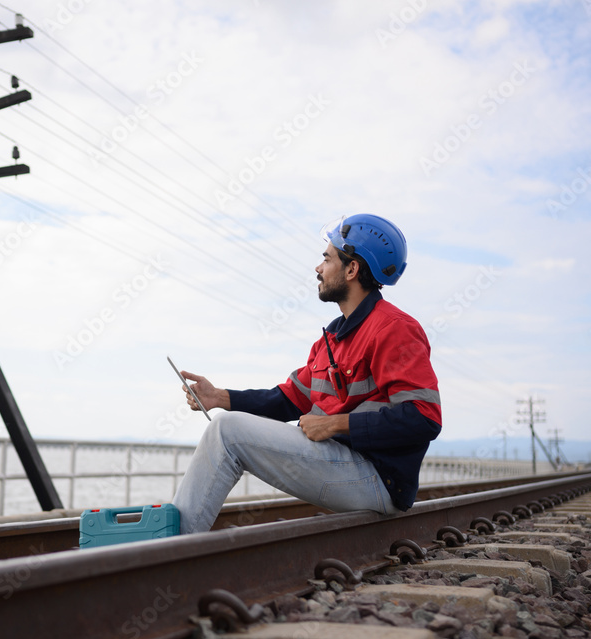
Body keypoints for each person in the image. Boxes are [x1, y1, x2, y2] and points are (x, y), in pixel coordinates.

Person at [171, 214, 441, 534]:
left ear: (352, 269)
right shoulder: (332, 339)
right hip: (342, 464)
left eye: (327, 258)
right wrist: (220, 397)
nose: (318, 268)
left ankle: (170, 550)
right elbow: (287, 400)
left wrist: (334, 423)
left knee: (226, 432)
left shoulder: (394, 329)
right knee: (226, 425)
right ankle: (171, 542)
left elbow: (424, 419)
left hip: (378, 479)